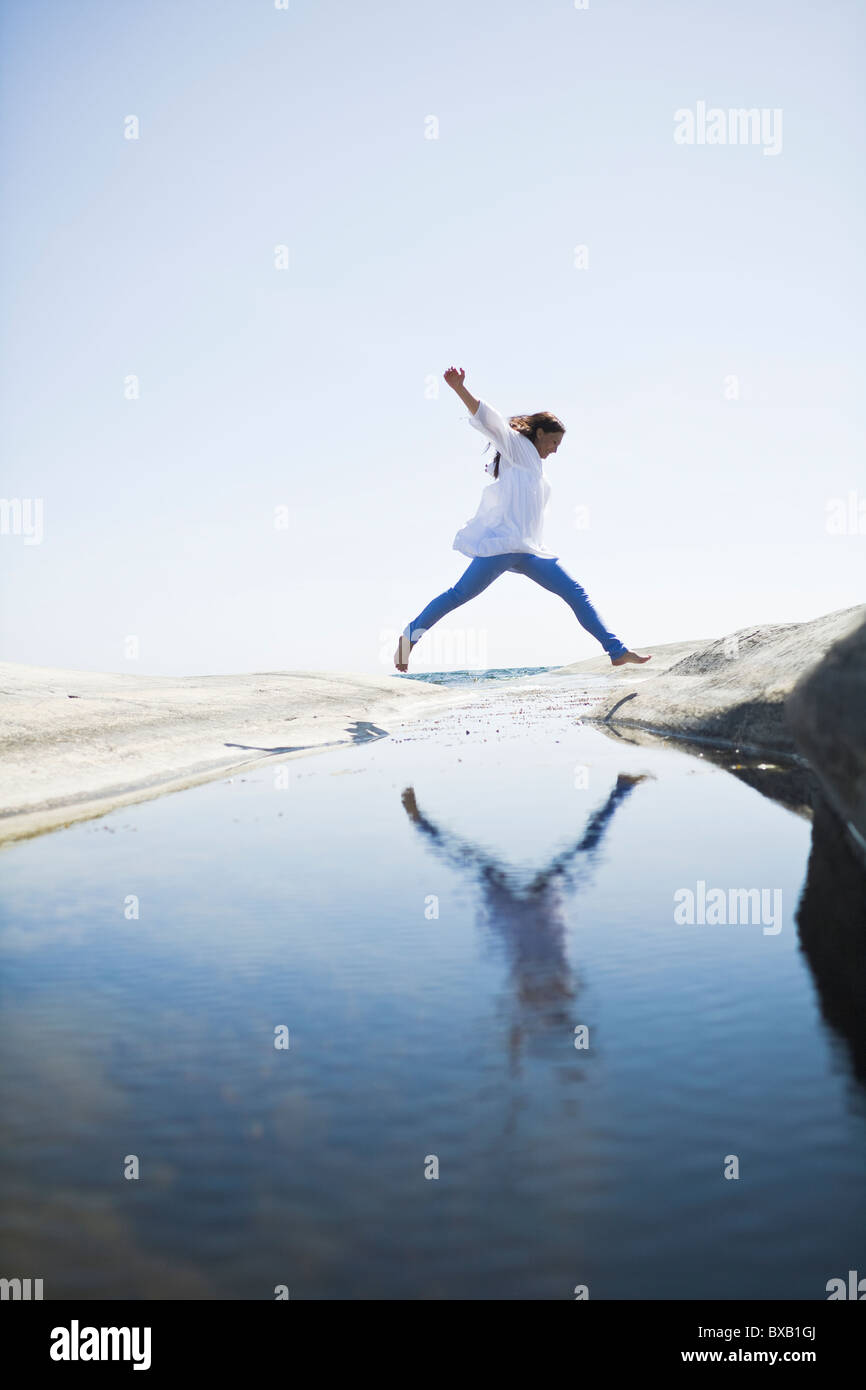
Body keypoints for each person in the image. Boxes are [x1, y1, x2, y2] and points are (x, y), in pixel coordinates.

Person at [394, 366, 651, 671]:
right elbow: (489, 420)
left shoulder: (534, 465)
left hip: (528, 550)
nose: (554, 450)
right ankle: (407, 640)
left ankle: (616, 650)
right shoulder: (516, 445)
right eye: (553, 442)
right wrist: (458, 388)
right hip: (502, 546)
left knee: (575, 592)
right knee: (459, 595)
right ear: (539, 433)